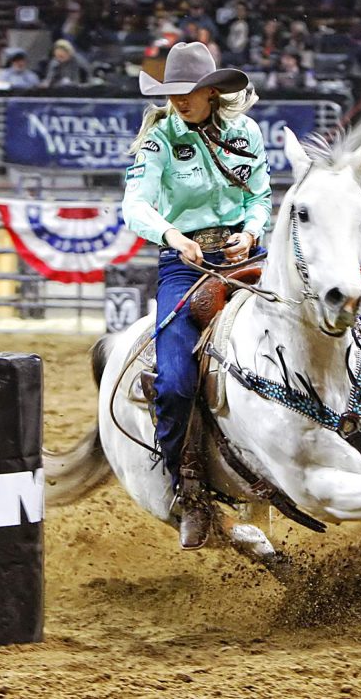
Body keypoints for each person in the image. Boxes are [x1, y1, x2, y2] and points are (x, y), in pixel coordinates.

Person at [121, 42, 271, 550]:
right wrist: (173, 237)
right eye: (173, 93)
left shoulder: (246, 132)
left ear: (211, 92)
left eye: (188, 92)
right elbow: (135, 205)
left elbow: (260, 195)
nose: (180, 101)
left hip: (247, 255)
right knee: (176, 380)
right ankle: (187, 487)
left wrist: (251, 232)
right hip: (186, 266)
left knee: (332, 307)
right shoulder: (158, 140)